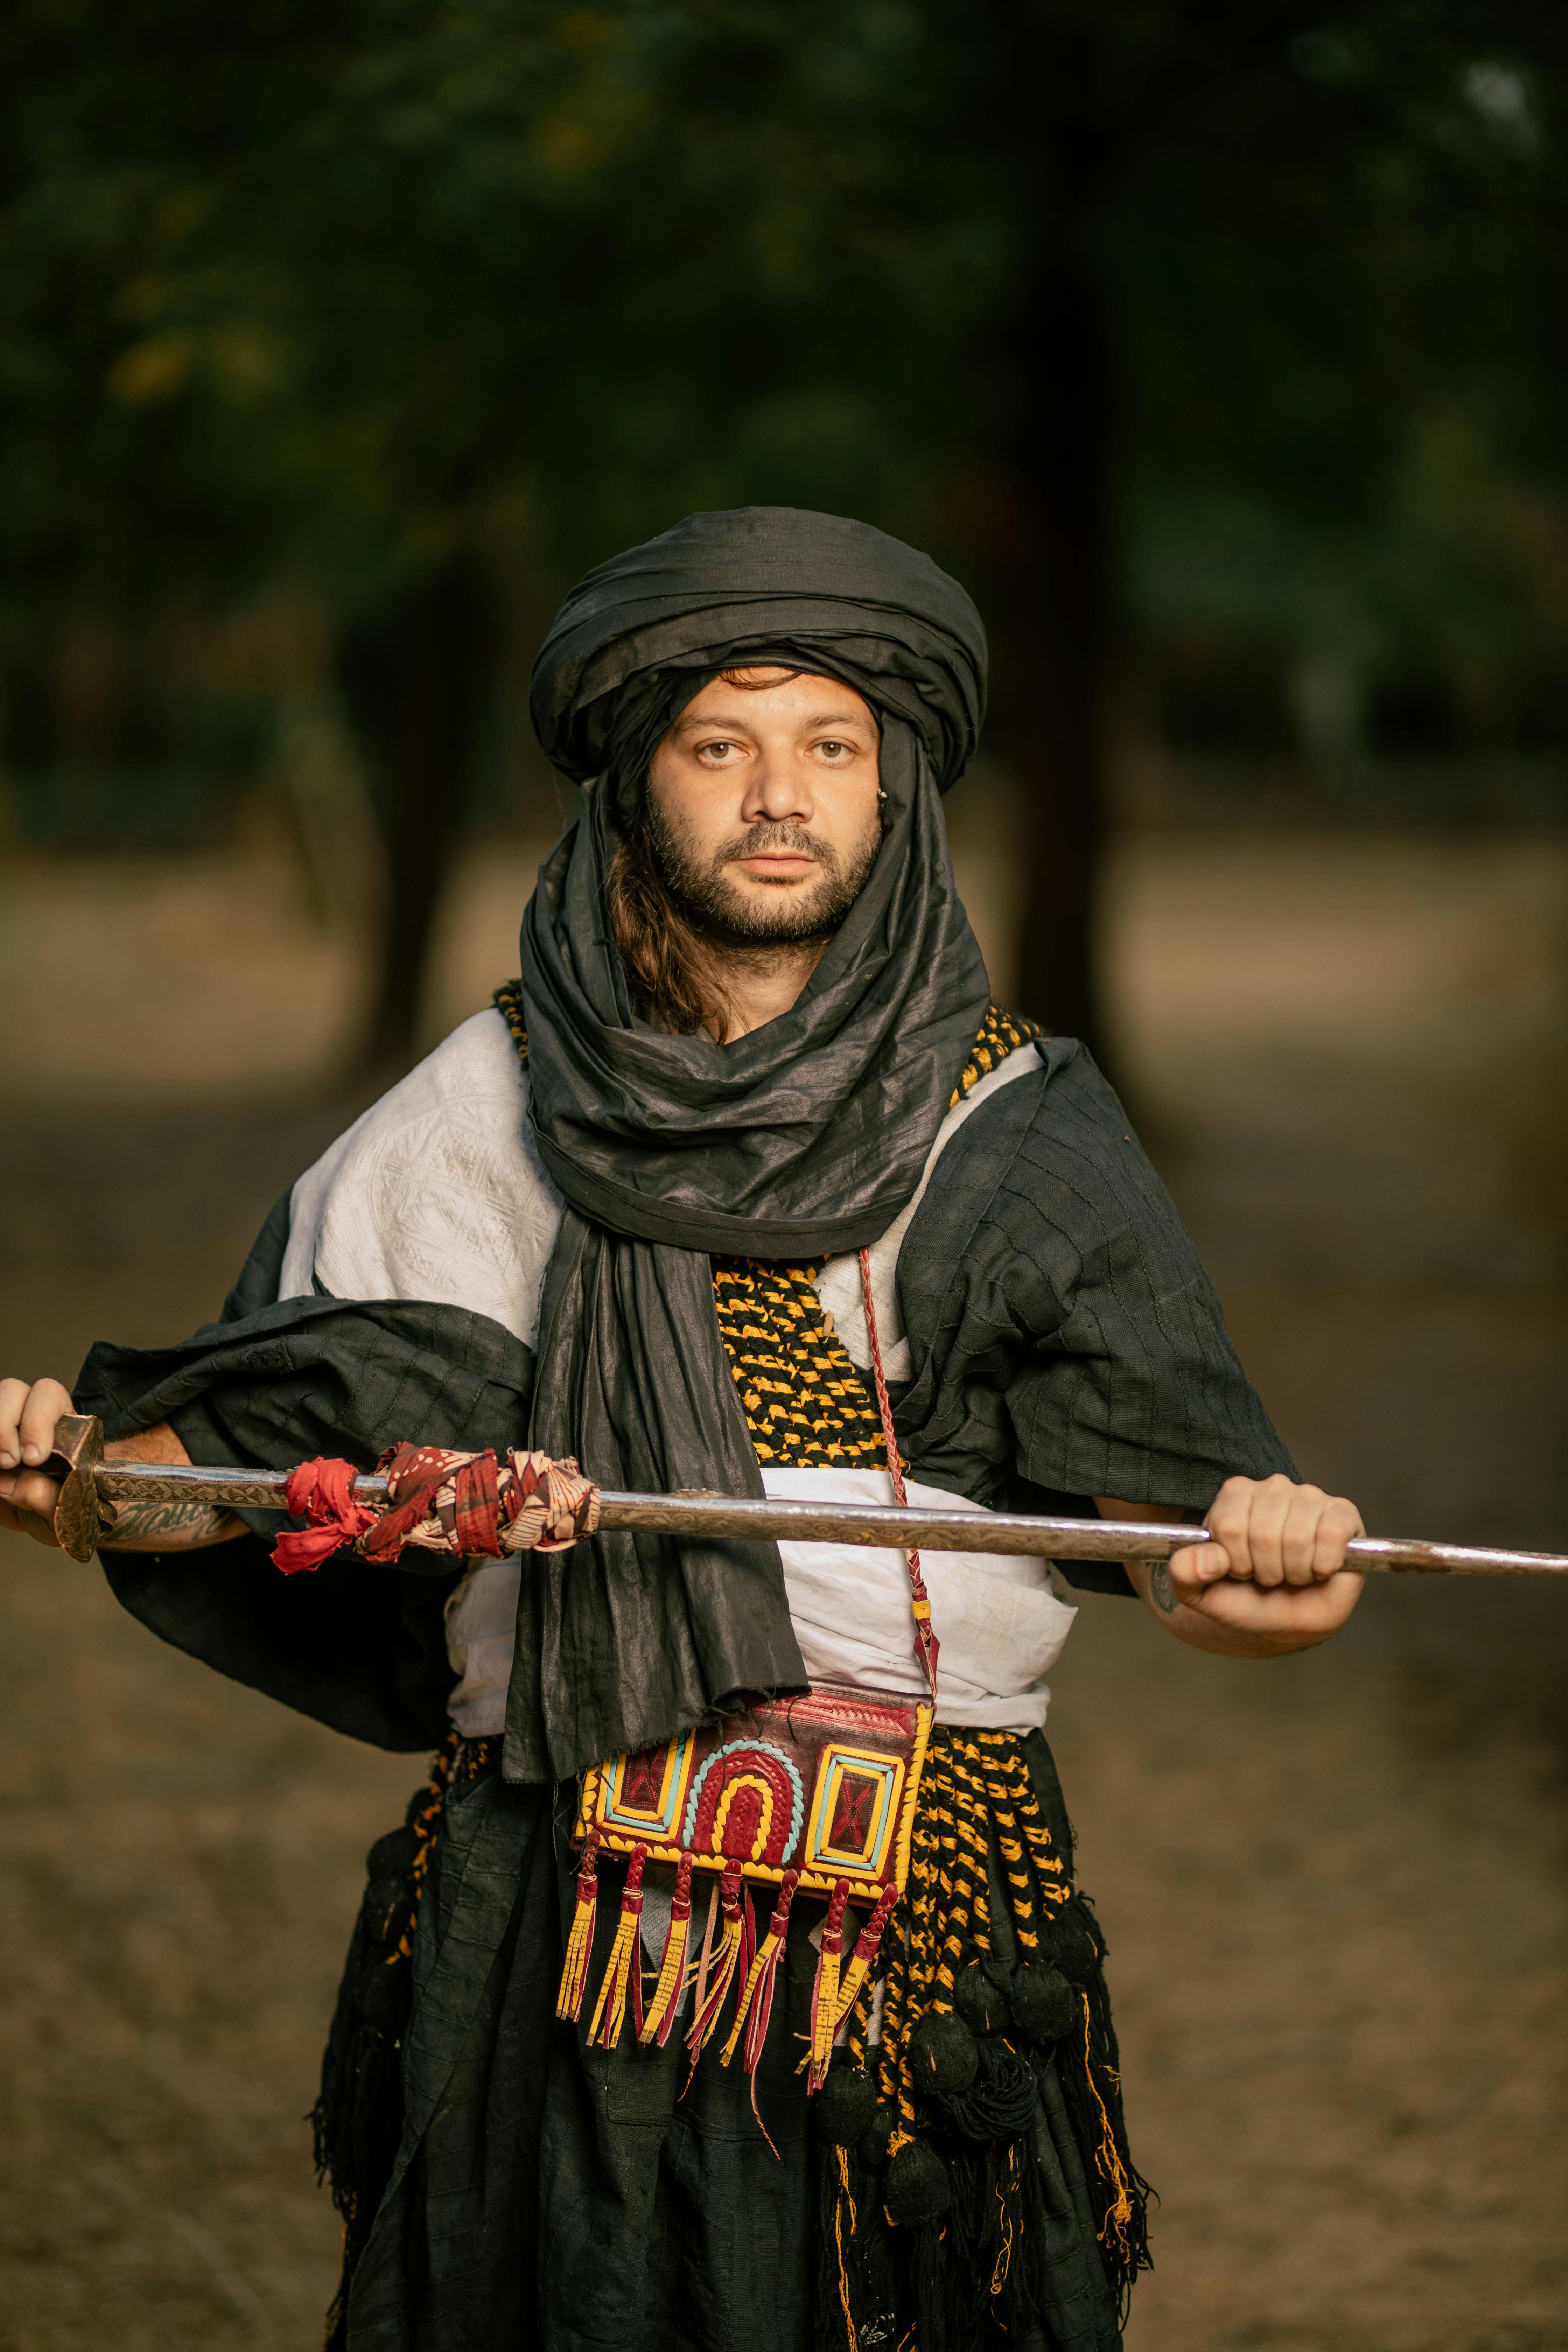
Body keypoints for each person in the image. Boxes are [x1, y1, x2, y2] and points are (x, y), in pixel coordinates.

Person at [0, 507, 1364, 2352]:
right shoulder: (478, 1115)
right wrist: (73, 1483)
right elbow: (236, 1479)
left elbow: (1198, 1563)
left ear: (899, 797)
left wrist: (1275, 1561)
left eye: (830, 751)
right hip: (553, 1901)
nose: (778, 795)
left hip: (926, 1907)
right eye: (722, 747)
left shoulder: (1019, 1125)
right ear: (638, 779)